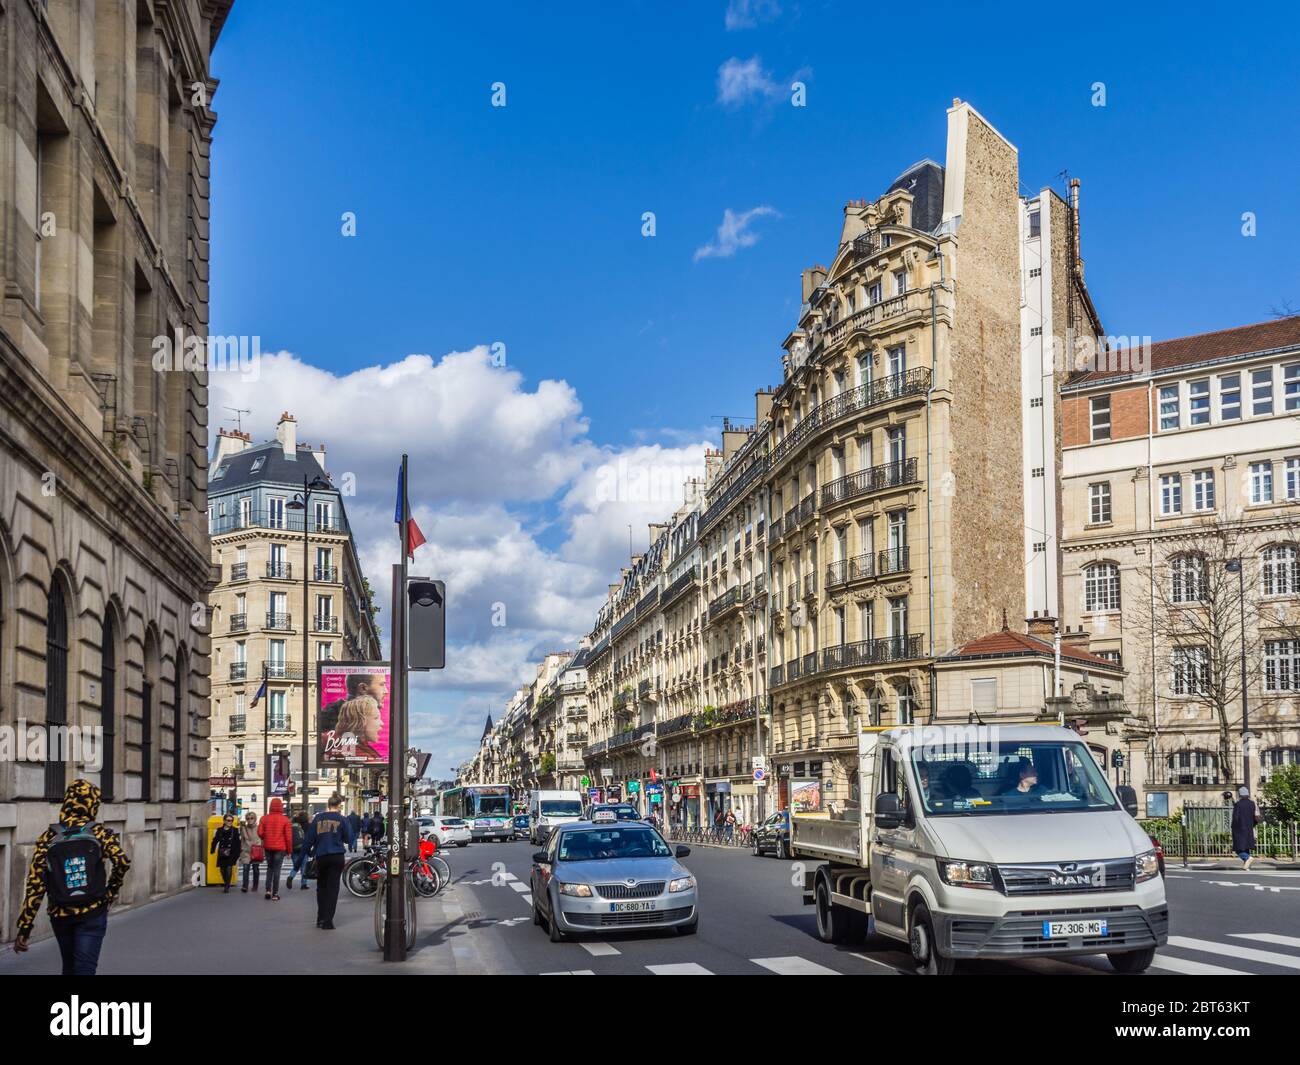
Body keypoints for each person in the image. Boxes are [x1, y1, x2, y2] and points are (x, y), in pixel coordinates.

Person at [14, 779, 132, 975]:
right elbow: (122, 862)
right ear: (92, 805)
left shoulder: (48, 837)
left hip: (60, 914)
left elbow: (35, 885)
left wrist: (25, 928)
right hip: (93, 911)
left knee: (69, 968)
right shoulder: (99, 833)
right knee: (85, 968)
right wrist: (110, 893)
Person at [302, 793, 354, 930]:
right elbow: (349, 838)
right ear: (339, 806)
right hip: (337, 856)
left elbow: (309, 840)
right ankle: (328, 920)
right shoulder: (342, 819)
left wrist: (307, 854)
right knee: (333, 888)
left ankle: (320, 917)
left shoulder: (318, 818)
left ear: (328, 805)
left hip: (321, 856)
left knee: (321, 887)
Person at [258, 797, 293, 900]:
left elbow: (260, 833)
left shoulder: (264, 818)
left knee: (270, 868)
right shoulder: (285, 820)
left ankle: (268, 890)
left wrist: (266, 836)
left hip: (268, 847)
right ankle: (275, 893)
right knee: (277, 870)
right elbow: (288, 837)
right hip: (280, 848)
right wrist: (289, 851)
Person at [1232, 786, 1261, 870]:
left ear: (1240, 794)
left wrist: (1233, 828)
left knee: (1238, 848)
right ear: (1247, 794)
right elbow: (1257, 817)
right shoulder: (1253, 803)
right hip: (1249, 828)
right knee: (1246, 847)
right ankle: (1247, 866)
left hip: (1240, 829)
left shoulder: (1238, 804)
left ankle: (1247, 858)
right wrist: (1253, 824)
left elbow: (1235, 818)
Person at [211, 814, 241, 893]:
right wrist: (212, 849)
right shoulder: (219, 830)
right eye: (228, 820)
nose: (230, 822)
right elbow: (215, 840)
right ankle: (226, 882)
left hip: (231, 852)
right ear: (224, 821)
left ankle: (227, 886)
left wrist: (237, 853)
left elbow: (238, 842)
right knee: (222, 870)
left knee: (229, 868)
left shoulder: (234, 830)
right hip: (222, 852)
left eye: (231, 820)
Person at [286, 812, 311, 890]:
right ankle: (304, 884)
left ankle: (291, 876)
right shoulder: (309, 826)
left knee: (296, 865)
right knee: (304, 867)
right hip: (304, 848)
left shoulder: (293, 826)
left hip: (294, 848)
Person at [239, 810, 262, 893]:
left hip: (256, 851)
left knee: (256, 869)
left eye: (252, 818)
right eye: (248, 818)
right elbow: (242, 840)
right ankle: (245, 886)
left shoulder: (259, 828)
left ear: (255, 818)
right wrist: (241, 850)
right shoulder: (244, 828)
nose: (250, 820)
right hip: (246, 851)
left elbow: (262, 839)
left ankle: (255, 885)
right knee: (245, 868)